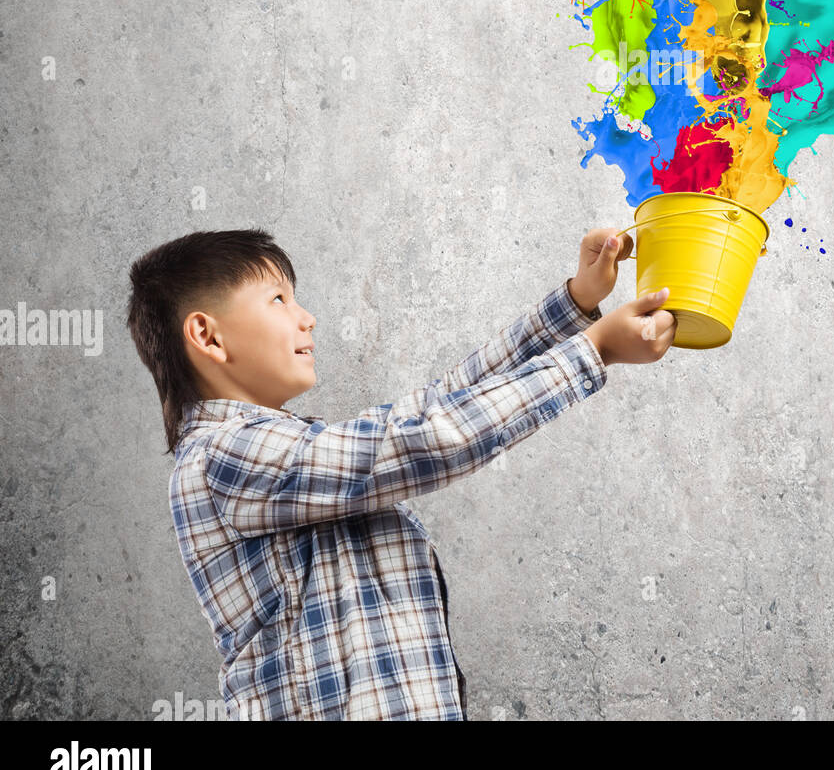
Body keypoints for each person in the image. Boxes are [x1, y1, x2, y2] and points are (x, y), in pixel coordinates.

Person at [126, 226, 674, 720]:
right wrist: (593, 351)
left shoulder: (279, 450)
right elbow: (431, 438)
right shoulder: (223, 457)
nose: (306, 317)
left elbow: (439, 405)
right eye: (278, 299)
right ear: (208, 336)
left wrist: (576, 304)